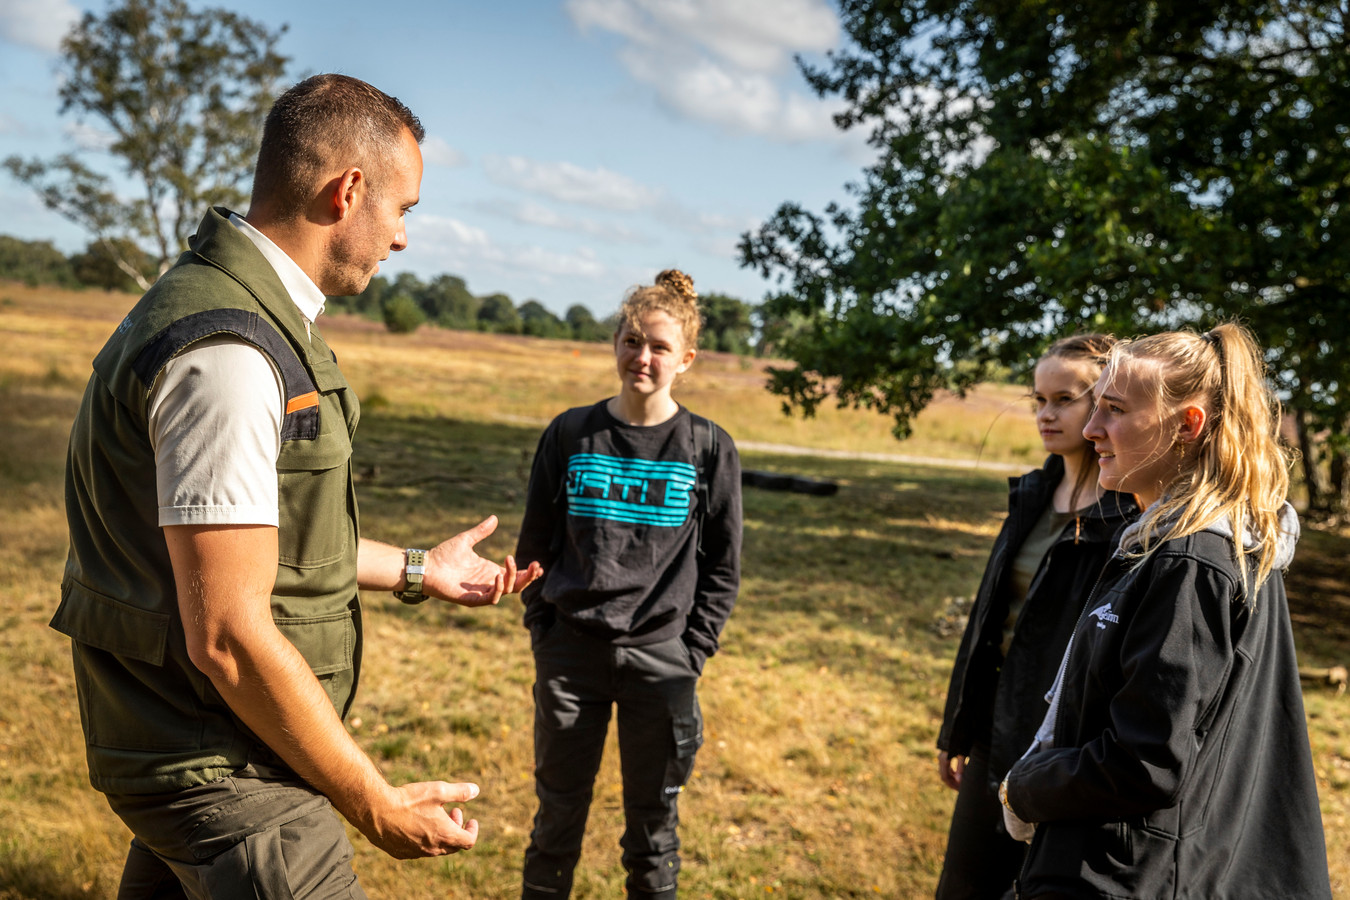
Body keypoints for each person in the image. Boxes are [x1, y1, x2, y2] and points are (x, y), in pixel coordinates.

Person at [52, 74, 540, 899]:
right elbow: (229, 634)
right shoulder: (231, 354)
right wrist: (374, 804)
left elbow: (244, 547)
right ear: (348, 191)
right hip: (228, 771)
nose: (402, 239)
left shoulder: (224, 310)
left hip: (196, 751)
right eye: (404, 210)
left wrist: (420, 569)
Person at [1000, 324, 1333, 899]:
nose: (1091, 429)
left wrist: (1024, 788)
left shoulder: (1192, 560)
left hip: (1129, 873)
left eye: (1114, 411)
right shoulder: (1181, 542)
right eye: (1095, 408)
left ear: (1187, 426)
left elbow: (1148, 760)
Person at [514, 270, 743, 898]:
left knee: (653, 832)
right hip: (570, 657)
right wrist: (546, 631)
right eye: (632, 340)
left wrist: (690, 651)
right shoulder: (570, 433)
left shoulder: (707, 448)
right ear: (615, 343)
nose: (643, 357)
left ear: (687, 359)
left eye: (660, 347)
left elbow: (723, 568)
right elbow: (534, 546)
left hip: (662, 663)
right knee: (556, 821)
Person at [934, 334, 1139, 899]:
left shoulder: (1128, 515)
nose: (1046, 415)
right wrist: (960, 724)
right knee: (966, 883)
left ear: (1105, 403)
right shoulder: (1032, 493)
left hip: (1063, 743)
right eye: (1038, 400)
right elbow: (988, 623)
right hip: (997, 721)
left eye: (1064, 399)